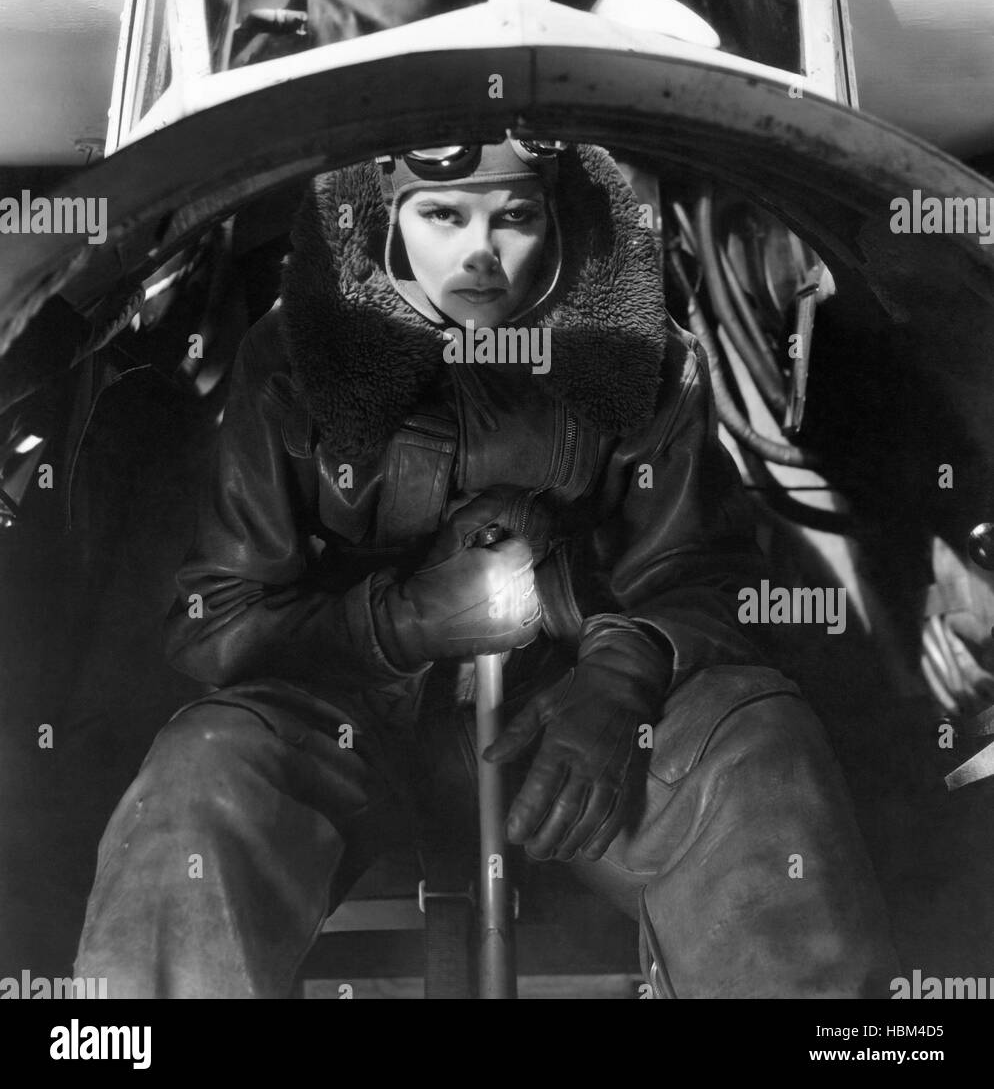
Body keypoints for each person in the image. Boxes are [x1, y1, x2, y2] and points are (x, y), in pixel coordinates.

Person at [74, 137, 898, 998]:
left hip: (570, 715)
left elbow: (704, 573)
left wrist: (619, 677)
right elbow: (217, 621)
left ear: (558, 217)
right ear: (390, 218)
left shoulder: (647, 358)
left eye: (514, 217)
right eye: (442, 215)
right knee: (203, 770)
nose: (479, 252)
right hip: (345, 719)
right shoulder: (291, 360)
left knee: (756, 739)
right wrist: (401, 621)